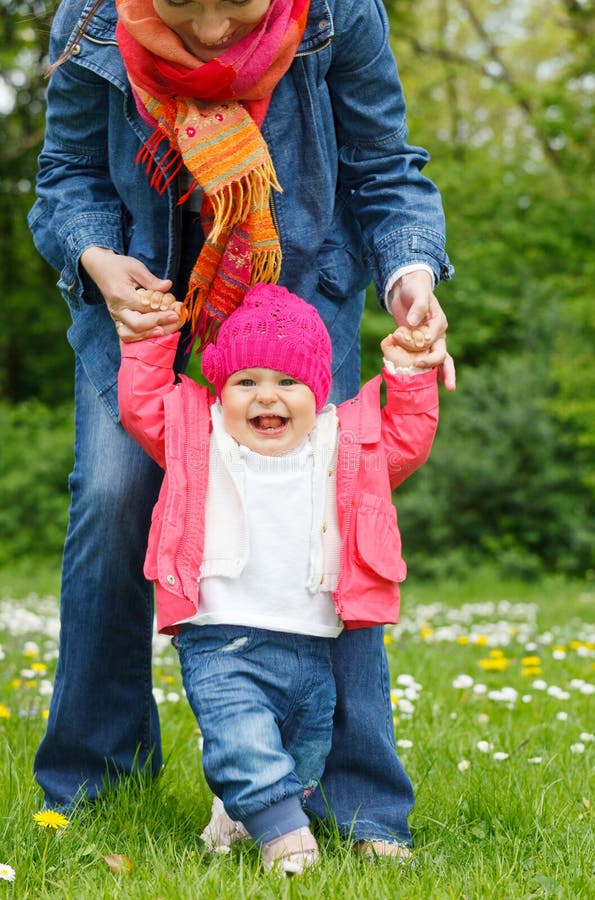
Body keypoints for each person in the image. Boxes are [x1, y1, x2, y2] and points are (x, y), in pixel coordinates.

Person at [28, 0, 454, 854]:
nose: (219, 31)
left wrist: (409, 275)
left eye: (241, 5)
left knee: (332, 523)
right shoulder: (91, 19)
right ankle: (97, 776)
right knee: (113, 495)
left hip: (291, 305)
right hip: (142, 310)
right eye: (192, 6)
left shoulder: (337, 13)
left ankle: (358, 800)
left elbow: (384, 167)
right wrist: (98, 261)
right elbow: (67, 177)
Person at [118, 283, 439, 873]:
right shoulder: (200, 434)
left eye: (287, 382)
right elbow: (142, 405)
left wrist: (412, 375)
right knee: (241, 739)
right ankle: (284, 838)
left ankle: (240, 815)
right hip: (221, 639)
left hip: (315, 642)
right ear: (220, 390)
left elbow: (406, 441)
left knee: (300, 755)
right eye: (247, 383)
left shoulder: (340, 439)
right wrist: (148, 343)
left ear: (317, 390)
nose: (268, 397)